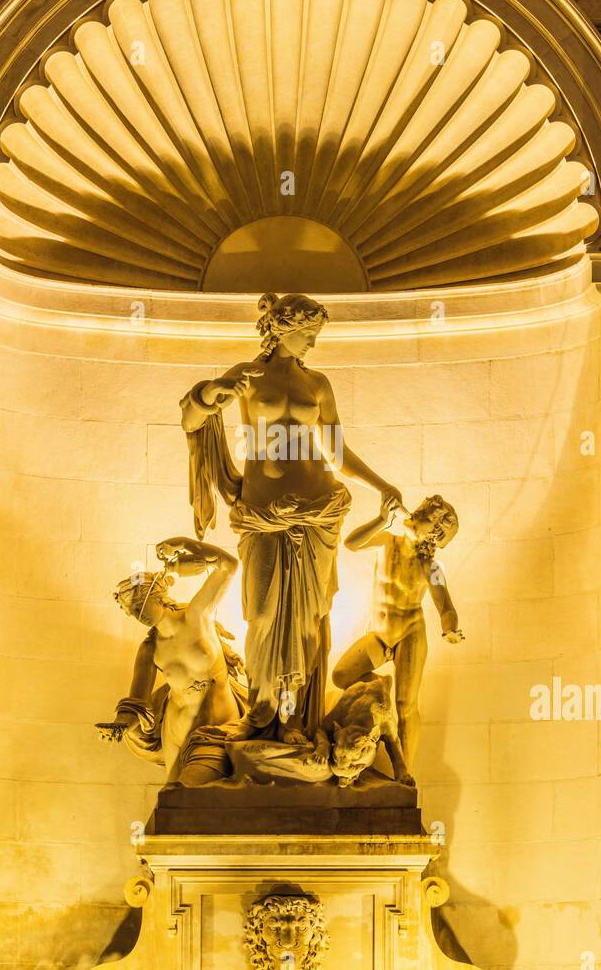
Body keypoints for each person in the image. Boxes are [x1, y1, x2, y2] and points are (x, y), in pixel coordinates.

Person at [180, 292, 402, 739]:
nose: (312, 345)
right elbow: (190, 417)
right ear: (283, 329)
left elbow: (337, 453)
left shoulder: (317, 383)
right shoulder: (246, 376)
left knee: (305, 622)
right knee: (261, 613)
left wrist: (381, 485)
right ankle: (260, 714)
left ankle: (294, 719)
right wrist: (211, 395)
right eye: (308, 335)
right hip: (262, 514)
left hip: (318, 512)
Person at [101, 536, 250, 785]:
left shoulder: (196, 616)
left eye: (139, 606)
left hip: (214, 724)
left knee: (190, 796)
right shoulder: (149, 647)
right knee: (170, 806)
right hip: (174, 730)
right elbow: (137, 700)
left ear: (157, 596)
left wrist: (184, 544)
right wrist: (120, 725)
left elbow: (229, 565)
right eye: (132, 611)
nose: (138, 615)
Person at [332, 493, 464, 772]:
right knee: (341, 676)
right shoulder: (387, 541)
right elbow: (352, 543)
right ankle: (381, 685)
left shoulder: (432, 567)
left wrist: (450, 629)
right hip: (381, 634)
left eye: (428, 513)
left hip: (410, 633)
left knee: (405, 705)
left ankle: (406, 771)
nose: (418, 512)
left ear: (435, 532)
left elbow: (446, 606)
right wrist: (382, 519)